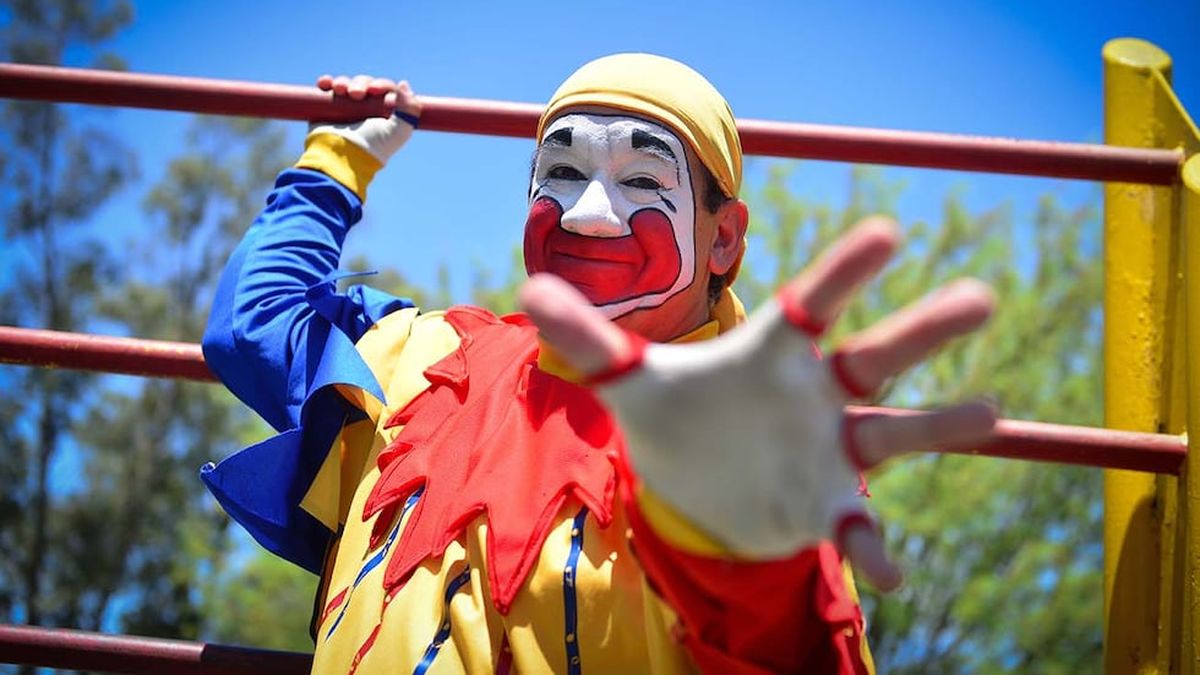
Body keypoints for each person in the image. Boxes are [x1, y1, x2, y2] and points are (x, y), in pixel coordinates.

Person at [202, 54, 996, 674]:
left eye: (642, 179)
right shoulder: (435, 353)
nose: (587, 213)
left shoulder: (758, 429)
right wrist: (338, 159)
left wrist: (759, 561)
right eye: (562, 172)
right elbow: (257, 325)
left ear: (724, 239)